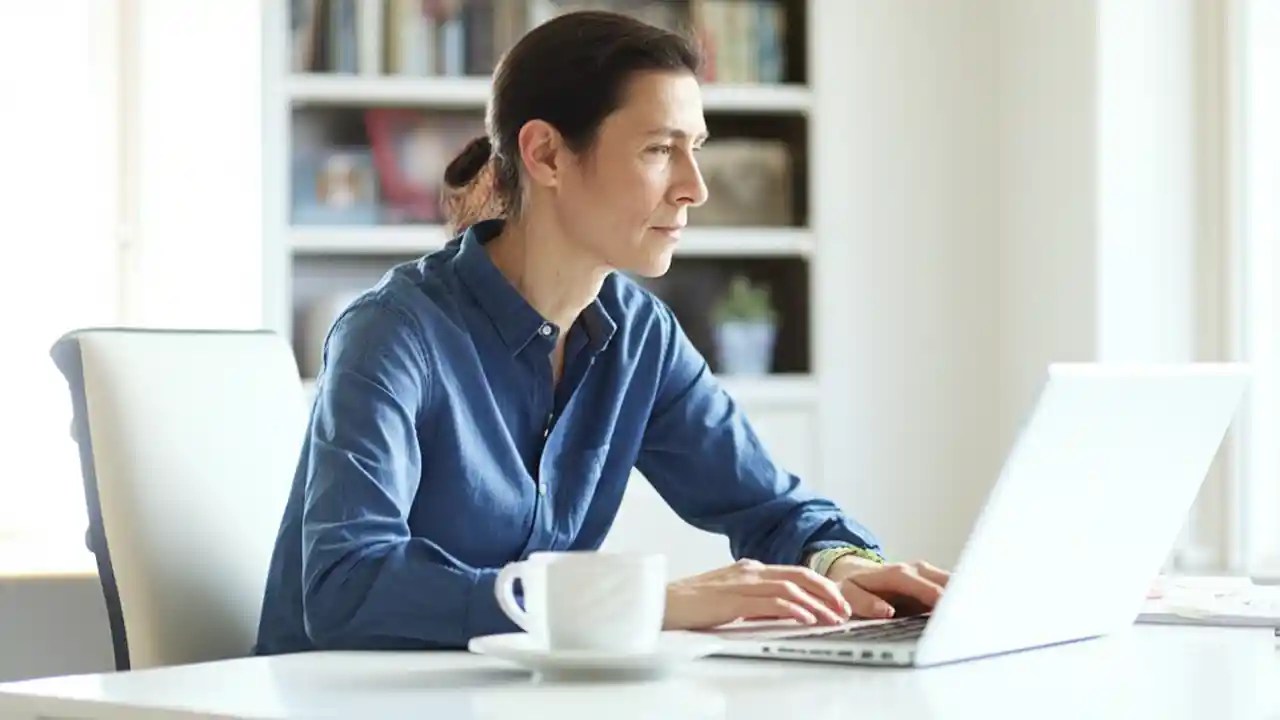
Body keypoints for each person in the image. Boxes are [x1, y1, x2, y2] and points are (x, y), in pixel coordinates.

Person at [254, 10, 949, 655]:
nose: (694, 187)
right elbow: (349, 585)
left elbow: (769, 506)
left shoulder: (639, 337)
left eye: (695, 148)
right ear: (547, 155)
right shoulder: (393, 334)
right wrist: (640, 603)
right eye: (659, 149)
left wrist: (848, 565)